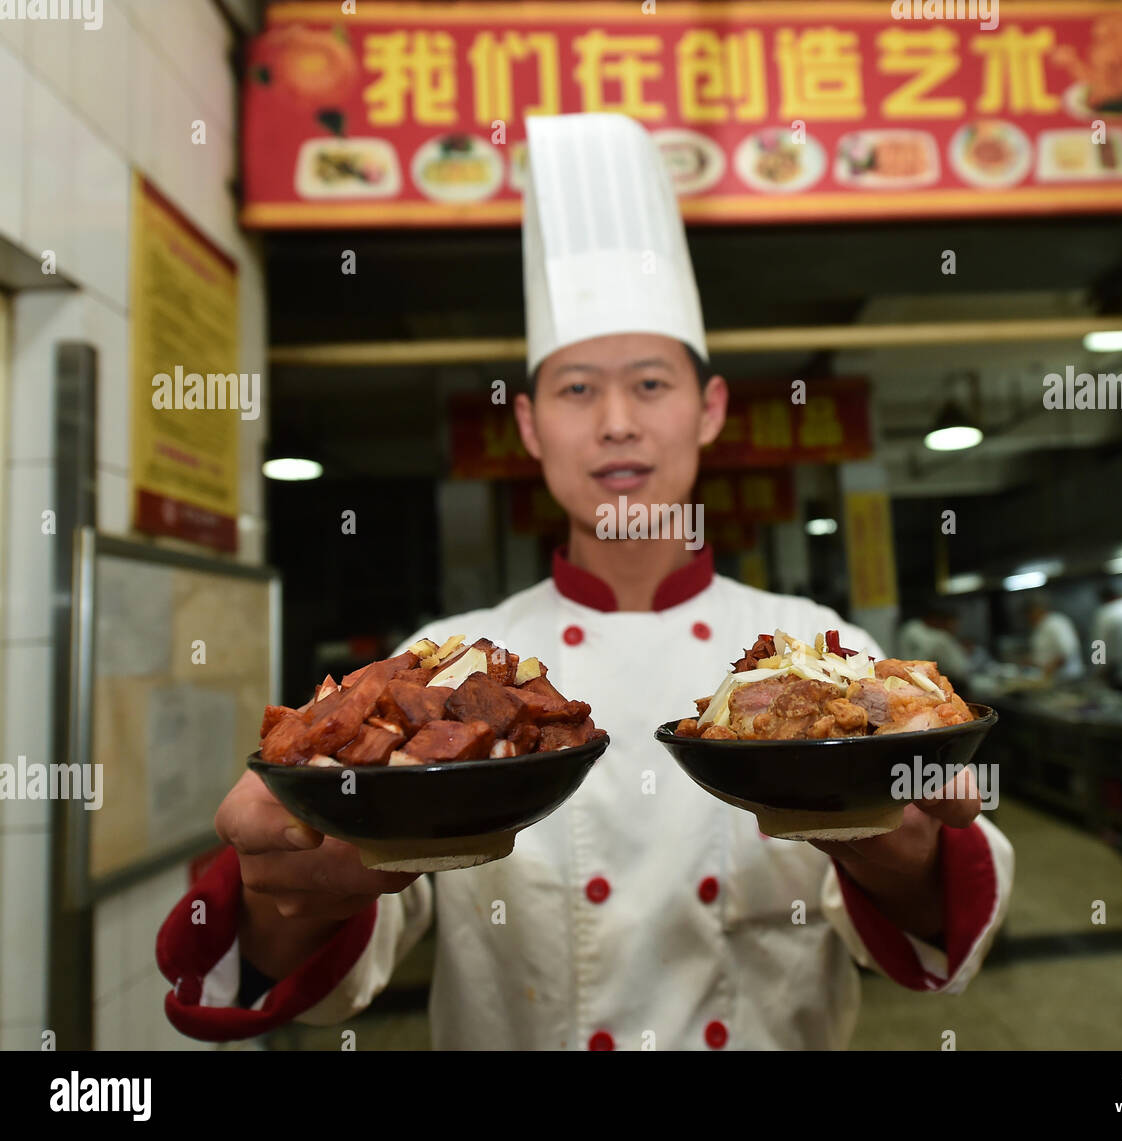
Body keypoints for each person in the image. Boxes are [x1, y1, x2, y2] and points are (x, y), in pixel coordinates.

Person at [157, 113, 1013, 1050]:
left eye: (650, 384)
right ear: (527, 423)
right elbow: (311, 960)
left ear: (710, 408)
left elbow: (947, 926)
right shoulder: (448, 666)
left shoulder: (829, 655)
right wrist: (286, 883)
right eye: (575, 390)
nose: (615, 423)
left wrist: (890, 832)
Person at [896, 602, 973, 683]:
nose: (953, 627)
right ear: (937, 618)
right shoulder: (915, 630)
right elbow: (958, 670)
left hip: (918, 678)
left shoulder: (936, 634)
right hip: (914, 678)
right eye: (948, 622)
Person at [1026, 597, 1084, 682]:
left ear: (1037, 611)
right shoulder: (1040, 626)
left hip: (1067, 678)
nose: (1028, 620)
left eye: (1029, 615)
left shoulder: (1055, 623)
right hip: (1051, 678)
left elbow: (1068, 649)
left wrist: (1051, 668)